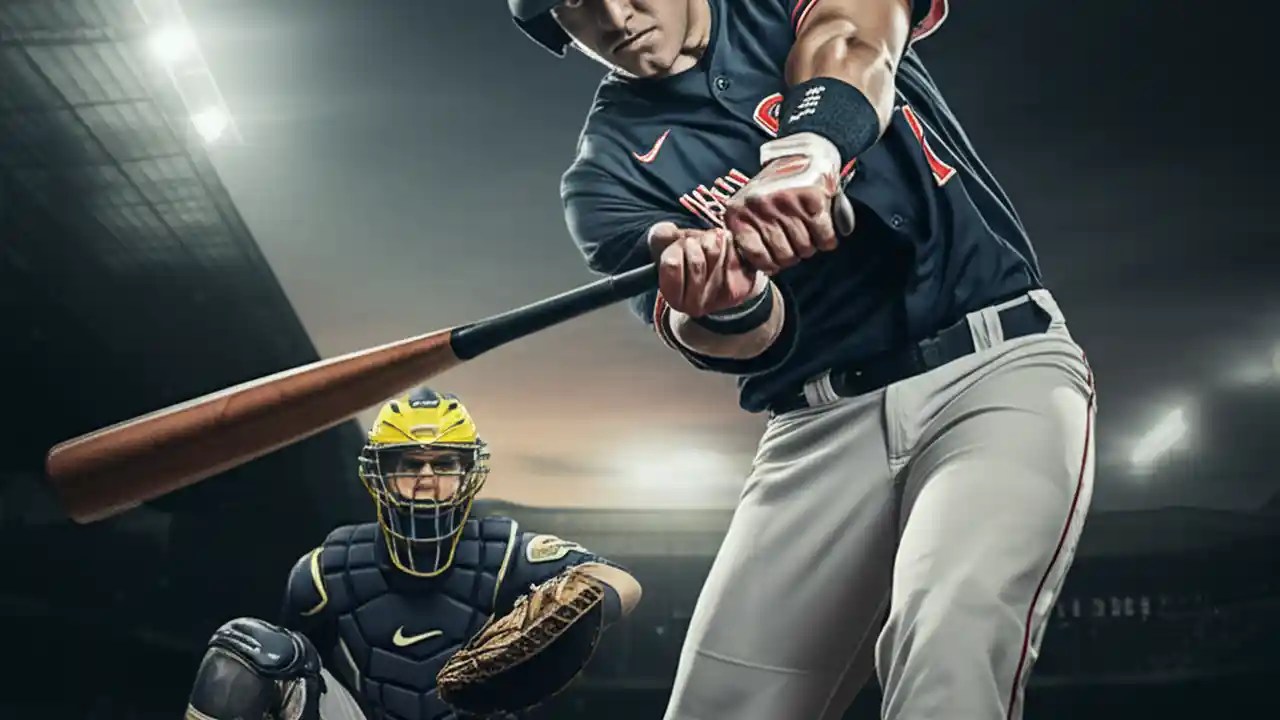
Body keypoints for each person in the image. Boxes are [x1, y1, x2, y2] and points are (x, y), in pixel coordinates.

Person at [506, 0, 1097, 718]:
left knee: (949, 633)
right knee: (716, 708)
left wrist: (807, 151)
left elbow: (854, 35)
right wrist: (728, 299)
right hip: (816, 432)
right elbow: (736, 340)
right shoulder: (603, 177)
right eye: (572, 4)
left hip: (994, 371)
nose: (613, 14)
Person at [184, 387, 642, 720]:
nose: (427, 478)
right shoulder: (325, 570)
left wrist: (582, 596)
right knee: (249, 648)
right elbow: (293, 682)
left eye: (444, 464)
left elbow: (621, 579)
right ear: (381, 474)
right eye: (410, 465)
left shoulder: (503, 553)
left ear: (468, 474)